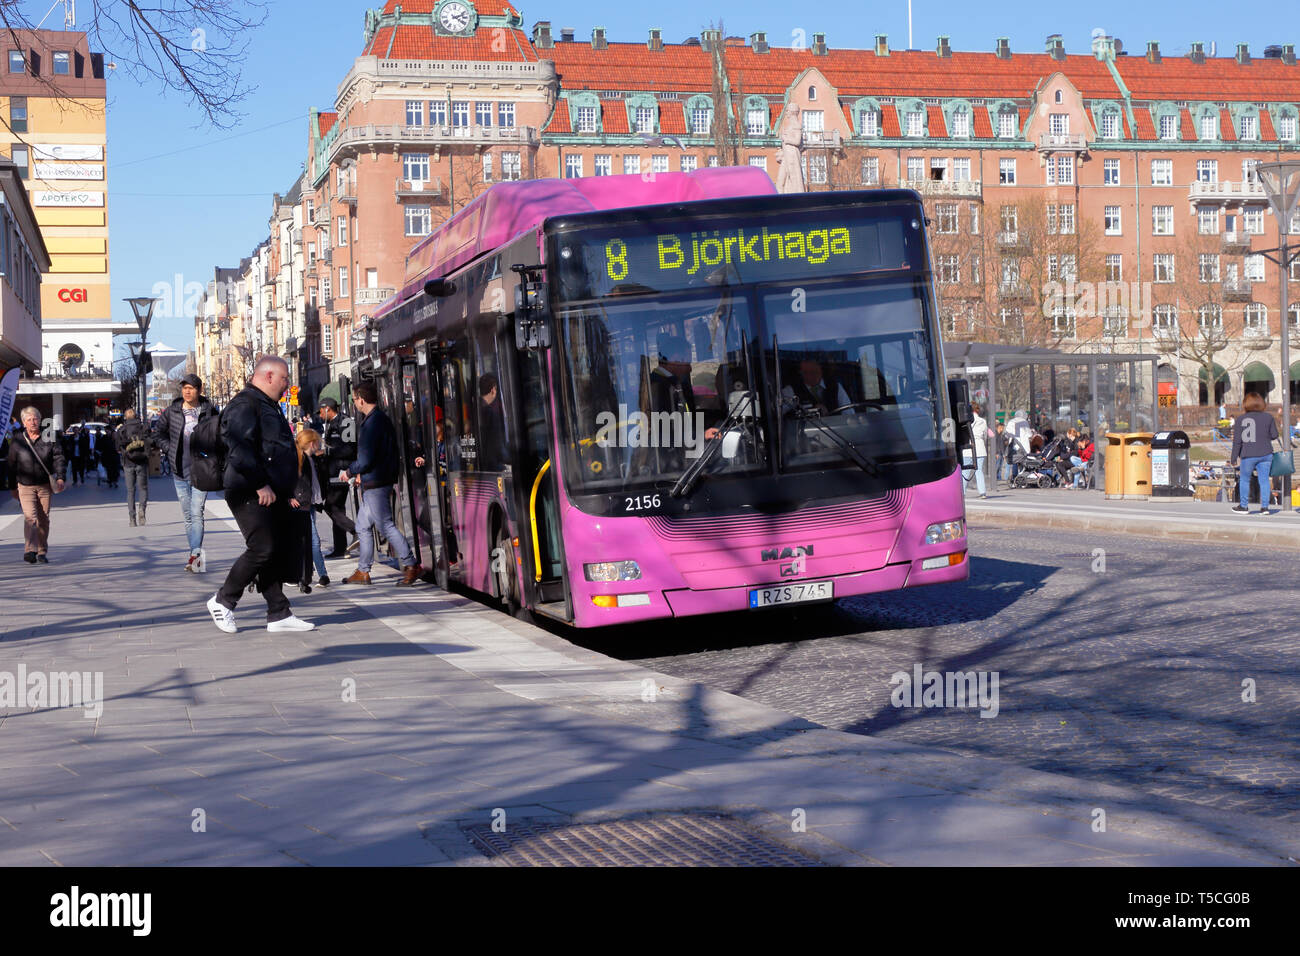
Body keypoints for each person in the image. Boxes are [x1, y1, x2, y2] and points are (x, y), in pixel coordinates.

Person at [206, 357, 313, 633]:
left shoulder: (267, 404)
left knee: (272, 549)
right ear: (268, 376)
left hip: (269, 490)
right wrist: (259, 484)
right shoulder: (246, 404)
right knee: (262, 547)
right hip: (248, 490)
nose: (288, 384)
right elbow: (239, 449)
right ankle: (223, 600)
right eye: (284, 378)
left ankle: (278, 612)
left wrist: (283, 488)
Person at [339, 381, 423, 587]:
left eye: (355, 399)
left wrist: (350, 471)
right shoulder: (379, 419)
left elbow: (366, 458)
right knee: (362, 525)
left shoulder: (372, 423)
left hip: (376, 482)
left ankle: (411, 565)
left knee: (385, 525)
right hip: (376, 480)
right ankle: (363, 570)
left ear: (362, 399)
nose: (355, 403)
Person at [156, 374, 218, 571]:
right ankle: (194, 552)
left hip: (202, 471)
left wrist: (211, 453)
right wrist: (169, 448)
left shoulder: (209, 411)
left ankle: (195, 554)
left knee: (197, 512)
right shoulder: (173, 411)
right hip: (179, 470)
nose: (187, 391)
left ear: (199, 390)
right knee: (188, 516)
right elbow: (158, 433)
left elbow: (220, 435)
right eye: (184, 388)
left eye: (191, 388)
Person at [7, 406, 66, 563]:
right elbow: (11, 465)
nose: (33, 422)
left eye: (35, 419)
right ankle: (30, 550)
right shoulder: (18, 439)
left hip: (44, 485)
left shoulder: (48, 437)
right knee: (30, 517)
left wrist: (60, 477)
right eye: (29, 420)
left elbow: (58, 457)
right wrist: (12, 487)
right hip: (24, 485)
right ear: (23, 422)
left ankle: (42, 551)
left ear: (40, 420)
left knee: (43, 519)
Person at [317, 397, 357, 557]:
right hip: (333, 472)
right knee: (337, 508)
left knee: (331, 507)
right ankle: (340, 548)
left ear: (327, 408)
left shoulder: (345, 422)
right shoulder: (332, 424)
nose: (319, 415)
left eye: (320, 411)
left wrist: (327, 452)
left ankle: (355, 530)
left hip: (341, 472)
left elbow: (350, 449)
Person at [290, 427, 329, 592]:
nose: (319, 446)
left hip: (307, 503)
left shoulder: (308, 458)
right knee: (312, 540)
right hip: (302, 504)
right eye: (318, 443)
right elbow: (290, 480)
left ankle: (309, 573)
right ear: (312, 444)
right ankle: (318, 574)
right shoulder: (300, 459)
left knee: (310, 540)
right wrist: (290, 497)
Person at [1229, 391, 1279, 515]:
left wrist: (1234, 457)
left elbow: (1237, 441)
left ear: (1246, 404)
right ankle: (1265, 508)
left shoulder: (1241, 419)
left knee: (1245, 479)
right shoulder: (1268, 417)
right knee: (1264, 480)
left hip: (1248, 454)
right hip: (1266, 453)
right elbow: (1274, 435)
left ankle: (1244, 506)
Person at [115, 409, 153, 524]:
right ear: (136, 416)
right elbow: (151, 442)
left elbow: (117, 448)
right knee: (143, 488)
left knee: (130, 491)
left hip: (128, 462)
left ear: (125, 417)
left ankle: (132, 518)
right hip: (142, 461)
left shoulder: (121, 430)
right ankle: (142, 508)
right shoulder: (143, 427)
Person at [477, 374, 507, 471]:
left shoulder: (475, 409)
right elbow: (497, 447)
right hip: (491, 466)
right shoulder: (489, 412)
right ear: (493, 390)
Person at [965, 403, 988, 498]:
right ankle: (982, 492)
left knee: (965, 472)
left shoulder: (966, 421)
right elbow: (985, 435)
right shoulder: (983, 421)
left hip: (968, 449)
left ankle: (962, 492)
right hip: (980, 448)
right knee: (979, 471)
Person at [100, 423, 121, 489]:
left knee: (116, 469)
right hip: (107, 456)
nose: (106, 431)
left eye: (107, 430)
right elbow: (101, 447)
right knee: (109, 470)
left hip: (115, 456)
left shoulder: (114, 436)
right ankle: (111, 481)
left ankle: (115, 481)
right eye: (105, 430)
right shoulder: (104, 437)